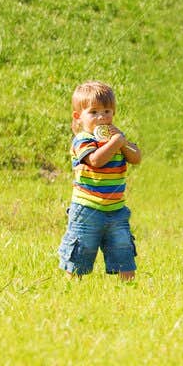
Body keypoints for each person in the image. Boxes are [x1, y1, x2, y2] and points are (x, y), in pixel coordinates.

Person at [58, 80, 141, 281]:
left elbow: (135, 157)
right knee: (80, 248)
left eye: (107, 111)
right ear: (78, 117)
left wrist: (121, 142)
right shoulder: (82, 139)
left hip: (116, 210)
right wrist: (115, 143)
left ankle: (128, 286)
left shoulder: (116, 138)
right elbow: (96, 160)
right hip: (87, 209)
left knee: (123, 248)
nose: (102, 117)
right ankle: (71, 285)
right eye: (93, 112)